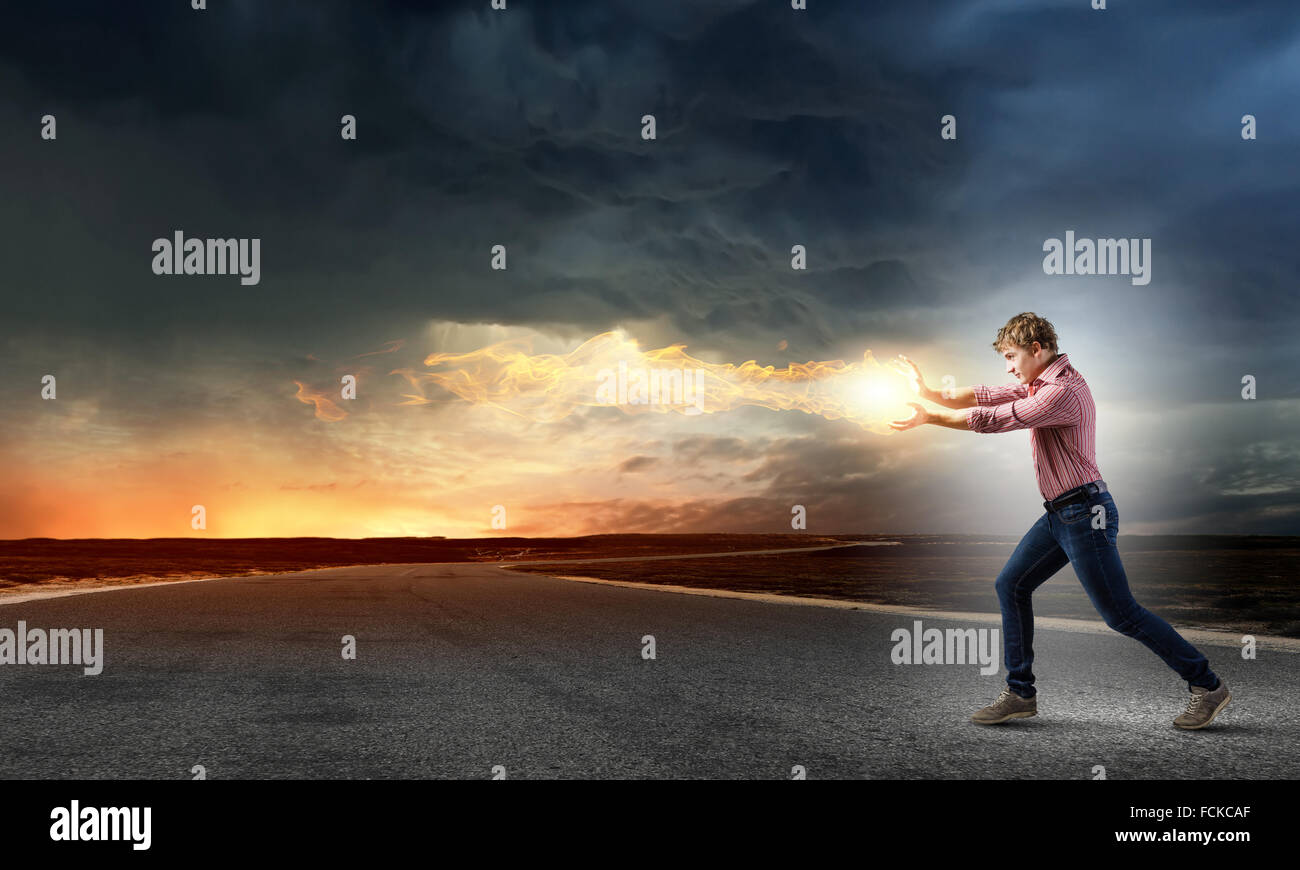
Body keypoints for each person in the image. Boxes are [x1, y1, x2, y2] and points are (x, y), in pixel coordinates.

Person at [886, 312, 1231, 729]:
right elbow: (984, 394)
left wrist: (929, 417)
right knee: (1010, 584)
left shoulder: (1063, 392)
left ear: (1037, 349)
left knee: (1120, 614)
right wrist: (928, 392)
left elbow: (996, 419)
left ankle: (1206, 684)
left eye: (1011, 356)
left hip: (1086, 513)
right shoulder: (1038, 382)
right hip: (1059, 514)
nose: (1008, 367)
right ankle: (1020, 693)